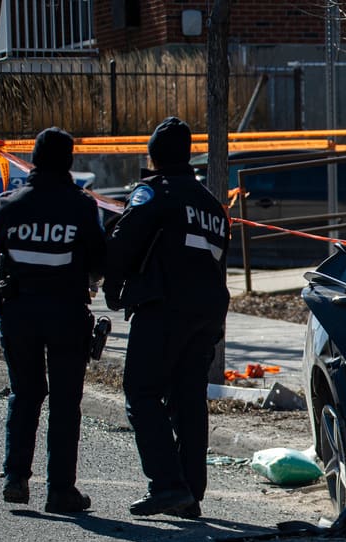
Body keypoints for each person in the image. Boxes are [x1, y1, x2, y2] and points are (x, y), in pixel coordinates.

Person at [104, 117, 230, 518]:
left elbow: (124, 240)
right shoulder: (211, 204)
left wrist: (112, 286)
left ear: (153, 156)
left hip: (165, 305)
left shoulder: (154, 192)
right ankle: (190, 492)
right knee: (188, 400)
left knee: (141, 393)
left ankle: (167, 485)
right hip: (207, 313)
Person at [0, 127, 106, 513]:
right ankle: (60, 490)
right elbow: (99, 260)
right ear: (69, 161)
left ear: (34, 160)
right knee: (64, 402)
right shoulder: (81, 206)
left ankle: (15, 477)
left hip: (18, 312)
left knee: (24, 393)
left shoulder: (8, 204)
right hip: (66, 314)